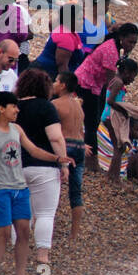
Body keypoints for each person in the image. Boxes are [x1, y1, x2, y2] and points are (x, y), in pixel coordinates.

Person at [0, 91, 67, 275]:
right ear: (1, 108)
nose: (17, 109)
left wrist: (57, 159)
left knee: (24, 232)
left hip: (20, 189)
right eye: (13, 106)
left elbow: (34, 151)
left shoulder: (17, 129)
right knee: (4, 233)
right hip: (1, 188)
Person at [15, 67, 72, 269]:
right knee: (45, 214)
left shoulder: (14, 107)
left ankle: (13, 259)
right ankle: (42, 263)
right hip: (45, 167)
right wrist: (63, 163)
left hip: (17, 166)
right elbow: (55, 137)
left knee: (22, 214)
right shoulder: (46, 107)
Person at [75, 22, 138, 154]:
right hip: (86, 84)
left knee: (93, 120)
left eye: (134, 43)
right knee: (92, 123)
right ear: (122, 37)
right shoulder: (111, 51)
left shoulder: (114, 45)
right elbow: (110, 83)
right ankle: (91, 160)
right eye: (130, 42)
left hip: (93, 84)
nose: (131, 46)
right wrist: (123, 107)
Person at [52, 71, 87, 241]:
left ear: (63, 85)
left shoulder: (56, 104)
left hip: (65, 145)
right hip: (79, 146)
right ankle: (74, 234)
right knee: (76, 191)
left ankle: (45, 225)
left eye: (56, 81)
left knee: (53, 188)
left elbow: (53, 131)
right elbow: (81, 129)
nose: (54, 83)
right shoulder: (78, 105)